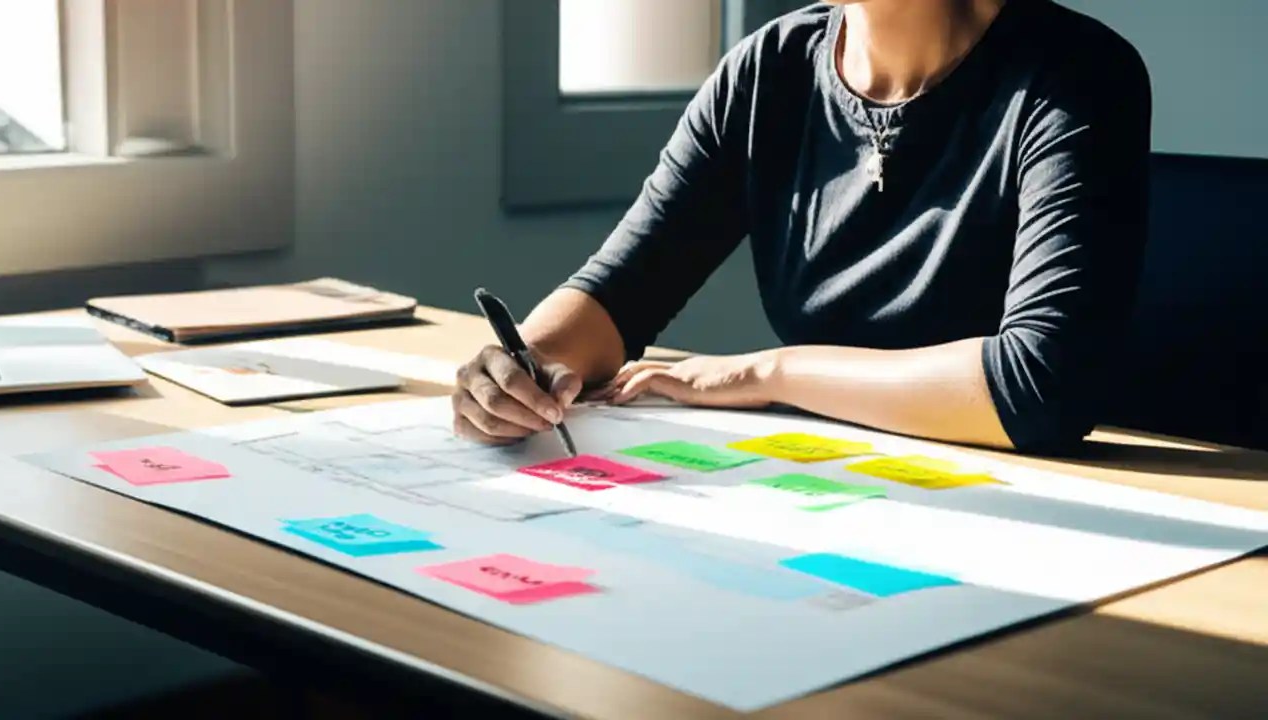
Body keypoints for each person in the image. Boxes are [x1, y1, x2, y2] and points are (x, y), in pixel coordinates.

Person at [452, 0, 1151, 454]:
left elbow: (1039, 390)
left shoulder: (1077, 75)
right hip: (840, 482)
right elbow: (622, 289)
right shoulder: (767, 73)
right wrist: (520, 367)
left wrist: (767, 373)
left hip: (1039, 506)